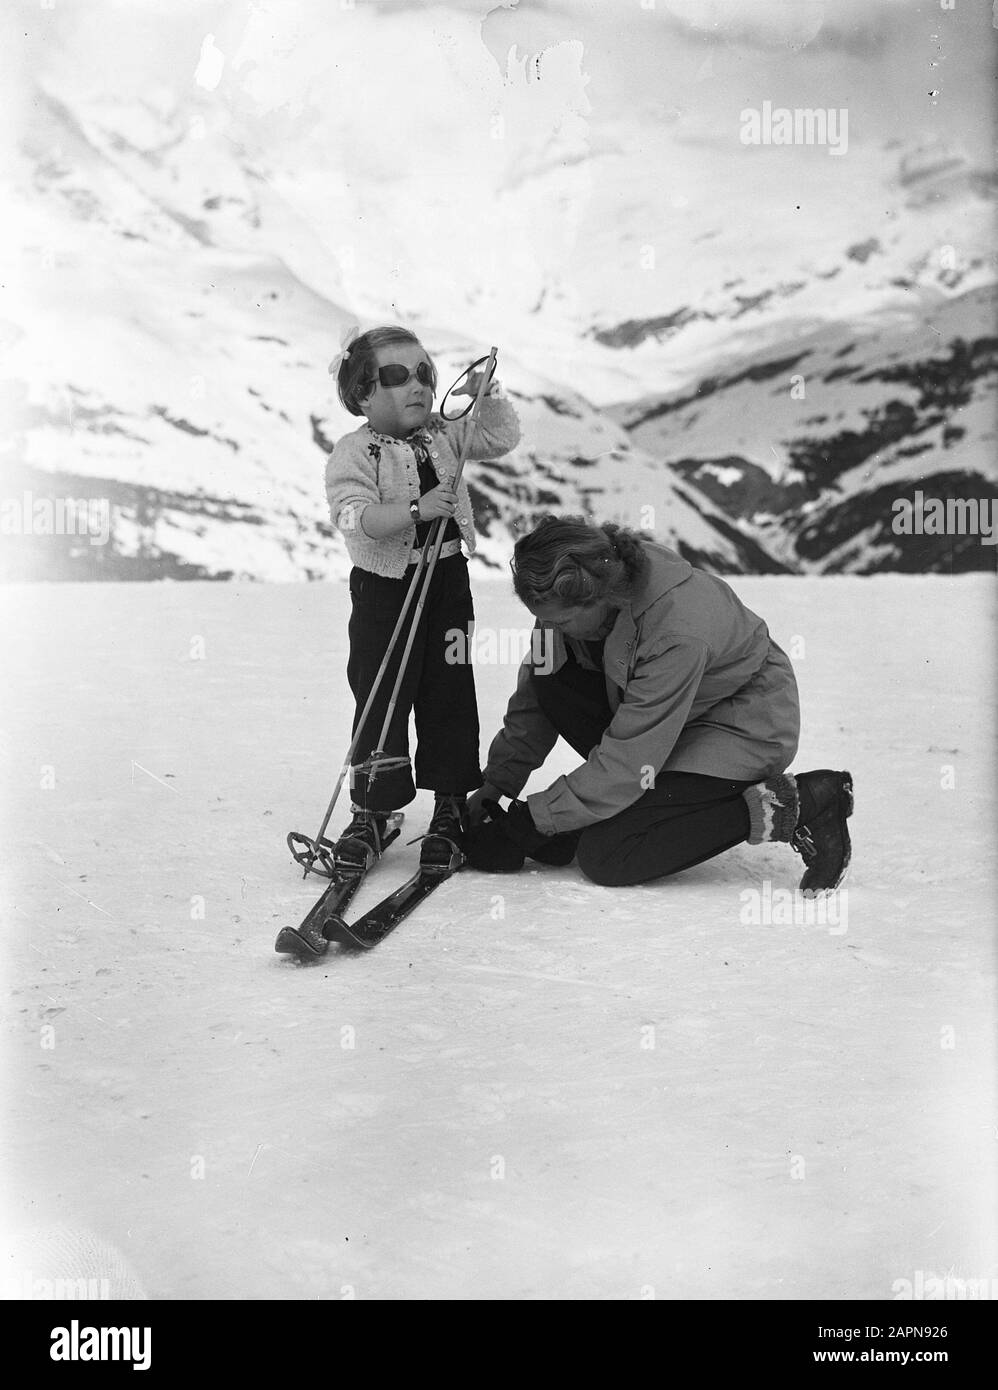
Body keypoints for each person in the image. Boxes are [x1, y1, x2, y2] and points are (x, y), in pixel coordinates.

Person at [465, 516, 853, 891]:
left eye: (560, 621)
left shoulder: (677, 629)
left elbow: (630, 761)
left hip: (743, 724)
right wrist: (496, 783)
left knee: (609, 854)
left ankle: (803, 803)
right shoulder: (566, 596)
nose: (550, 627)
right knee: (549, 677)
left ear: (598, 597)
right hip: (667, 717)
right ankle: (603, 811)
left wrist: (534, 820)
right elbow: (536, 699)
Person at [325, 325, 520, 863]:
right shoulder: (356, 450)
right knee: (382, 691)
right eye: (396, 376)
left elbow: (500, 439)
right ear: (361, 391)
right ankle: (374, 808)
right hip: (386, 587)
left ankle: (451, 801)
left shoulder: (446, 432)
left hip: (447, 581)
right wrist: (416, 510)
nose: (417, 386)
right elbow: (353, 516)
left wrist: (489, 394)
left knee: (449, 688)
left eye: (425, 374)